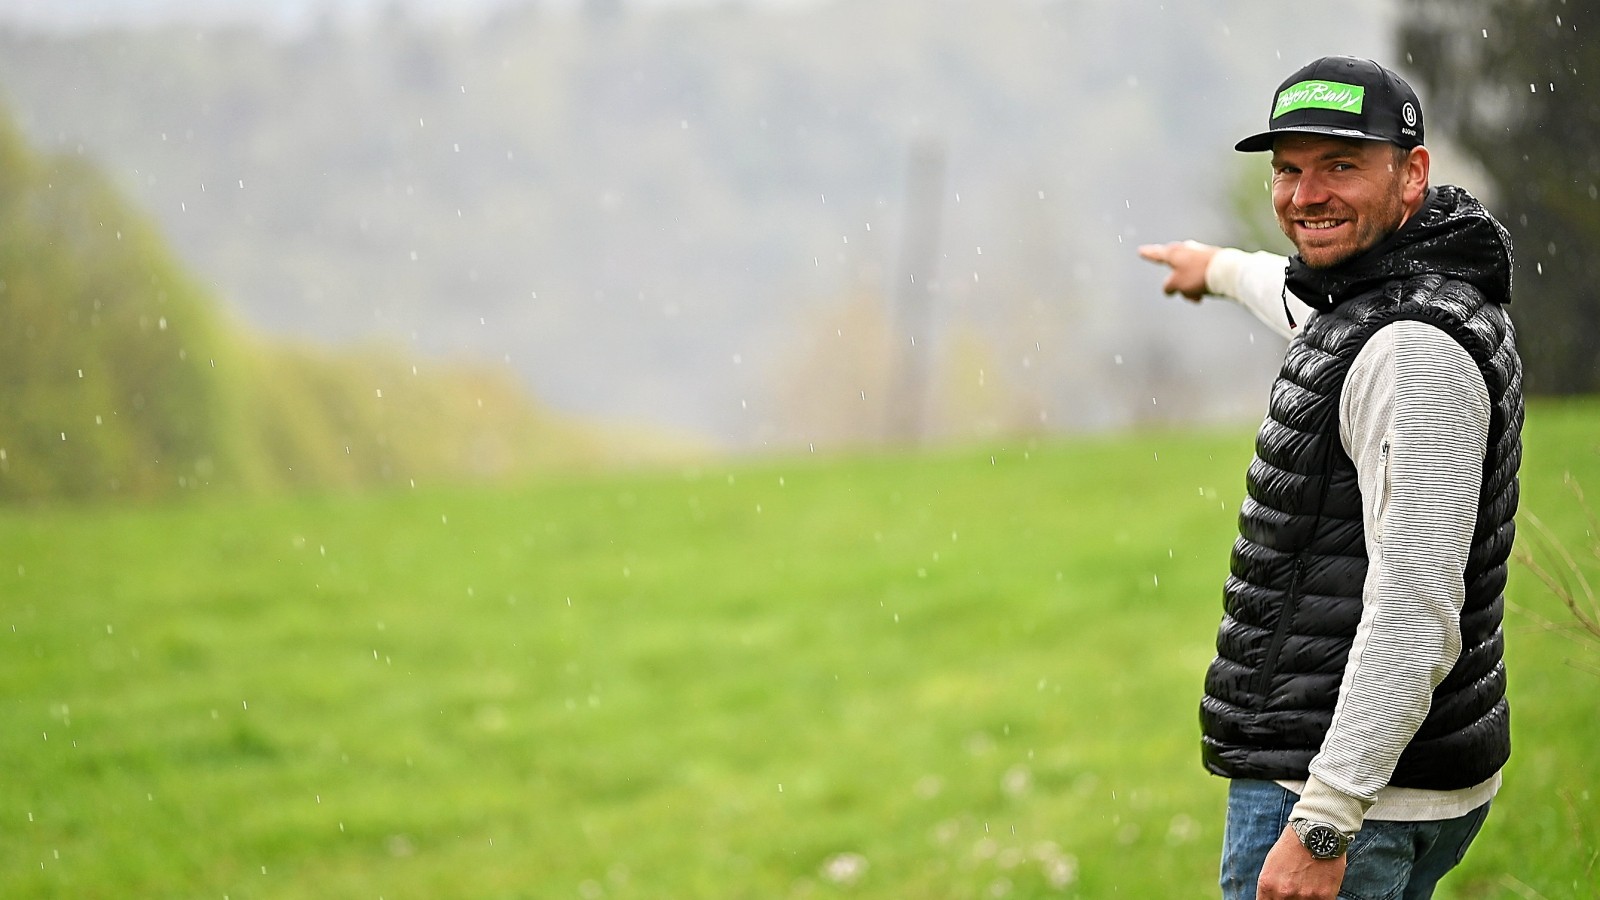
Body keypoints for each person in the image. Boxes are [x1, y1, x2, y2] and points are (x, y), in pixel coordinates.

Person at [1138, 56, 1522, 900]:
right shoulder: (1397, 290)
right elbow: (1303, 302)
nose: (1305, 195)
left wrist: (1325, 820)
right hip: (1390, 779)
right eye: (1288, 170)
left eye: (1340, 166)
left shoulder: (1412, 350)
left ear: (1411, 173)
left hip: (1347, 797)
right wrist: (1215, 268)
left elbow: (1418, 612)